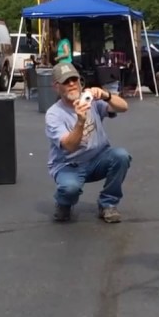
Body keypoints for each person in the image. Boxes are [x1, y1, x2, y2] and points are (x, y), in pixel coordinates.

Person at [44, 62, 131, 223]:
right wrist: (80, 121)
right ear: (56, 87)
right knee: (70, 189)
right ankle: (63, 203)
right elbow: (69, 146)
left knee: (121, 156)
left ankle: (108, 204)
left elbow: (124, 107)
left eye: (74, 80)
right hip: (69, 165)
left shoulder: (91, 100)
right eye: (66, 81)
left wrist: (107, 95)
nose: (71, 84)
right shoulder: (53, 114)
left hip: (97, 159)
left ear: (80, 81)